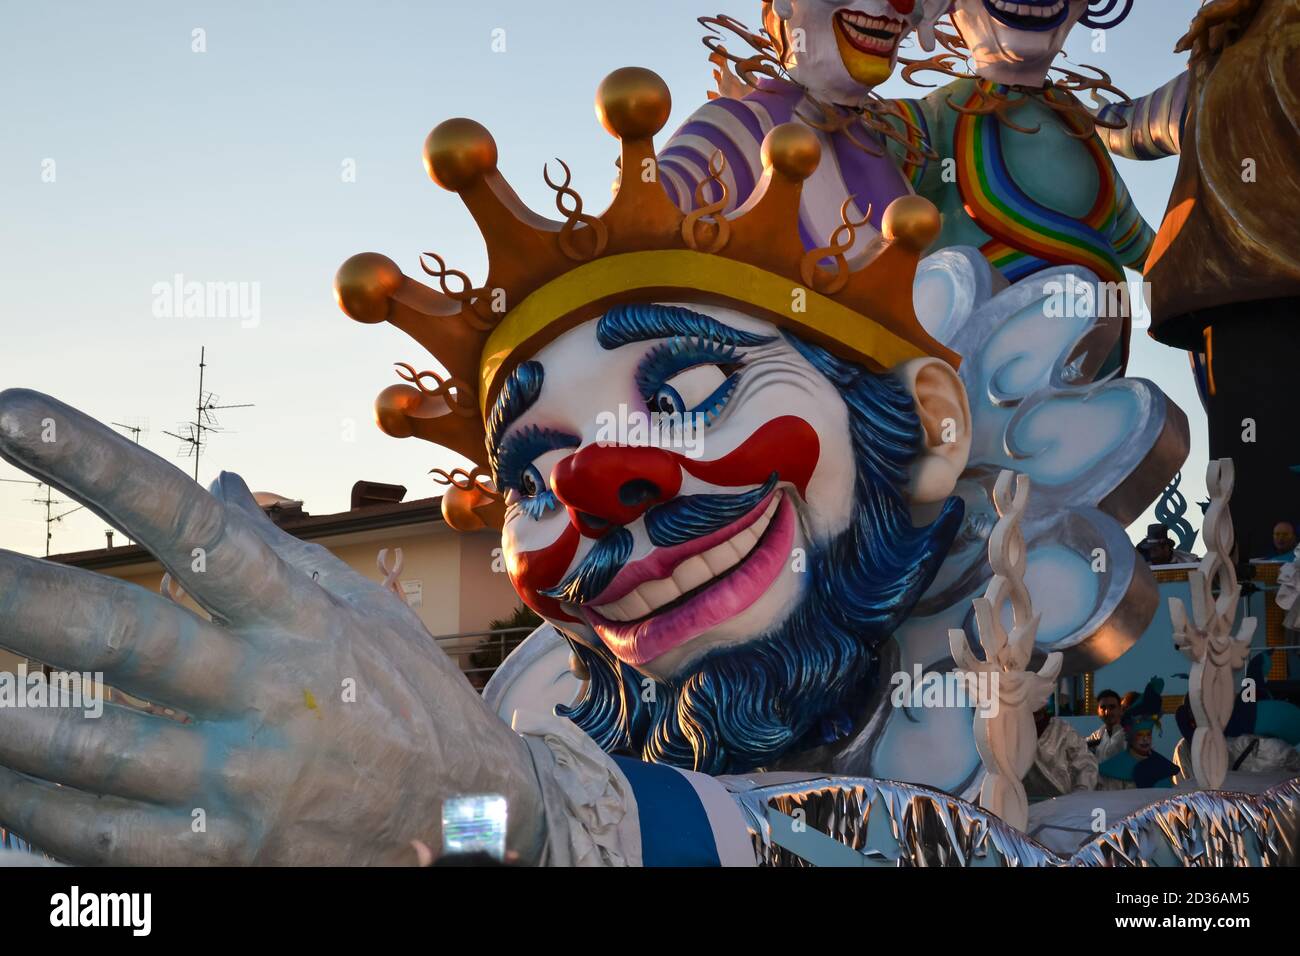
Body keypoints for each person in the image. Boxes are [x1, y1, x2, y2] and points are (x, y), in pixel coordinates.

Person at [1099, 678, 1178, 790]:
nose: (1145, 739)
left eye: (1148, 734)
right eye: (1140, 735)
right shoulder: (1116, 764)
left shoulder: (1160, 765)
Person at [1023, 705, 1098, 799]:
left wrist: (1081, 792)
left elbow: (1086, 763)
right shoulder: (1013, 730)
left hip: (1062, 804)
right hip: (1026, 804)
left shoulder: (1062, 730)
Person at [1086, 689, 1127, 761]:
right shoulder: (1100, 733)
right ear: (1098, 711)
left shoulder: (1130, 733)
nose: (1107, 712)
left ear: (1120, 709)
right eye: (1103, 708)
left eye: (1112, 707)